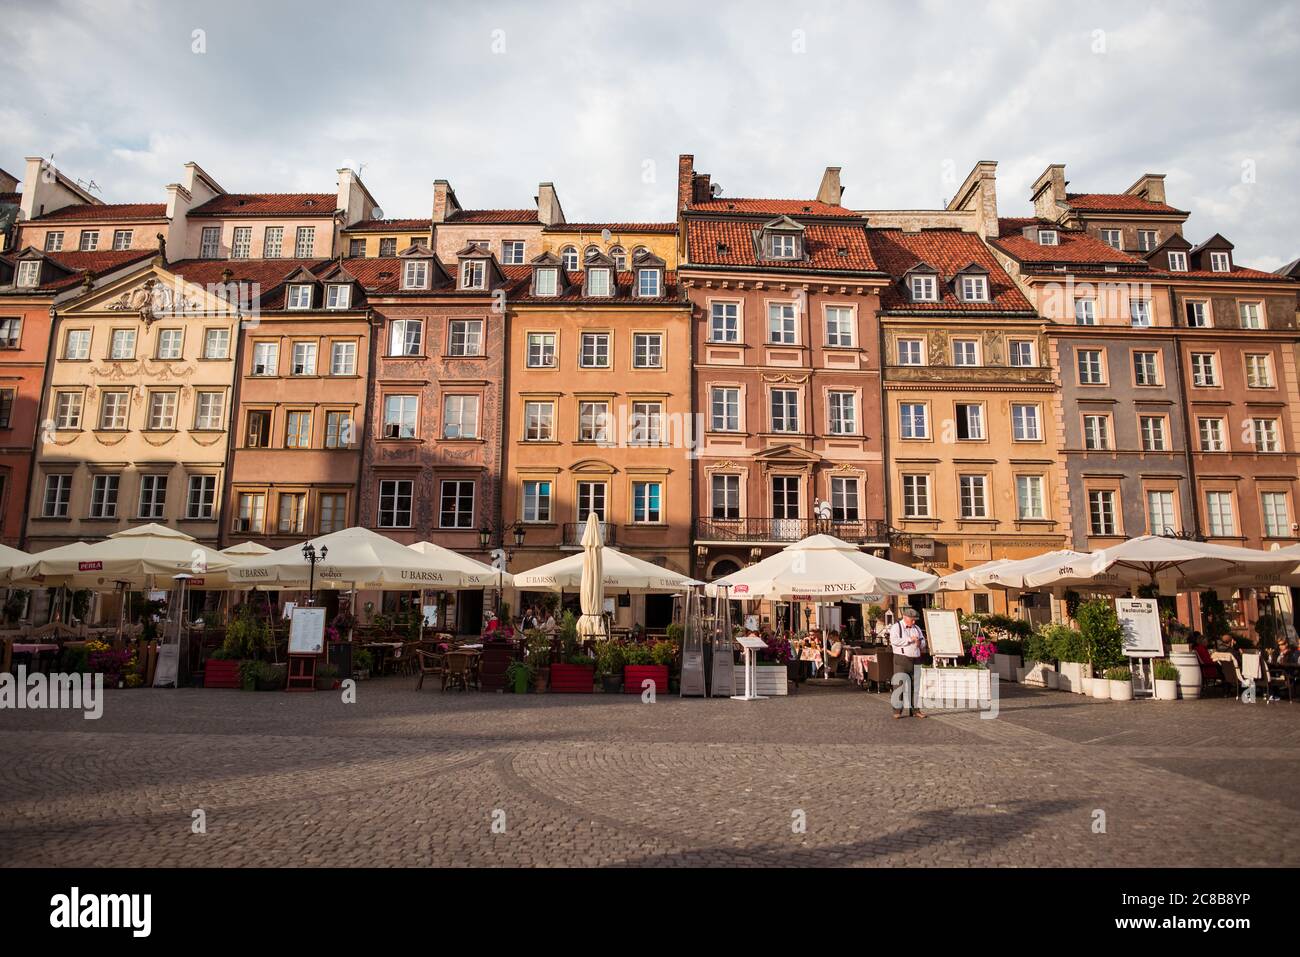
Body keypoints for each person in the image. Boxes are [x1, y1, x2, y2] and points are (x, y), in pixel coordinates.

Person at [887, 606, 927, 719]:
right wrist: (910, 639)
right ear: (905, 617)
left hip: (916, 658)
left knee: (916, 686)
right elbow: (894, 641)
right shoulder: (896, 627)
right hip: (901, 659)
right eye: (912, 619)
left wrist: (920, 643)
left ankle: (915, 710)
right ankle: (897, 710)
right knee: (899, 685)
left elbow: (923, 641)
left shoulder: (917, 628)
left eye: (915, 620)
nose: (914, 622)